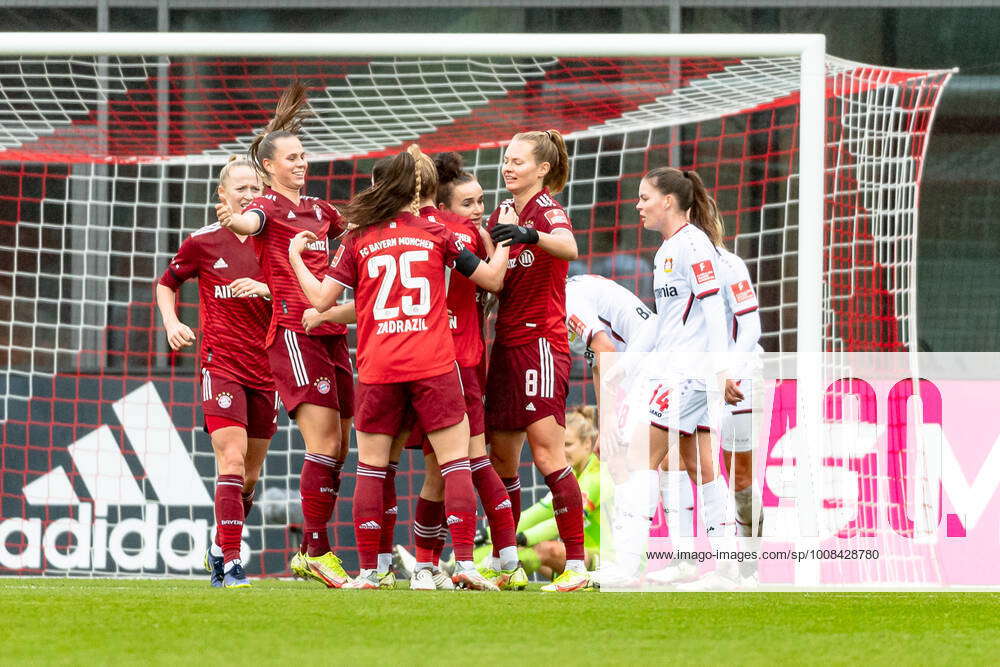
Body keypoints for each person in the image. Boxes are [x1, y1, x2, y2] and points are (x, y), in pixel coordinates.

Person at [287, 145, 511, 590]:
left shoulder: (358, 238)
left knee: (372, 468)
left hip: (379, 367)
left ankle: (372, 571)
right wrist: (502, 245)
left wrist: (295, 256)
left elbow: (320, 301)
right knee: (455, 464)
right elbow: (492, 280)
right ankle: (465, 565)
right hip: (434, 364)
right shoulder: (436, 231)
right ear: (418, 190)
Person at [214, 83, 353, 588]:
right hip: (295, 333)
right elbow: (251, 222)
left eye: (303, 156)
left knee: (341, 448)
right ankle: (316, 550)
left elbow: (354, 232)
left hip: (332, 329)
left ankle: (310, 549)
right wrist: (238, 219)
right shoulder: (267, 207)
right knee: (324, 442)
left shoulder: (320, 209)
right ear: (269, 167)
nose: (301, 163)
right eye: (292, 157)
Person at [596, 167, 742, 588]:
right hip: (682, 370)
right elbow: (665, 320)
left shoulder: (694, 246)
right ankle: (728, 568)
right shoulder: (667, 251)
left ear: (668, 201)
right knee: (699, 465)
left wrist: (722, 368)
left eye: (645, 197)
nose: (638, 205)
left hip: (689, 373)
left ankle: (627, 567)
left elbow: (715, 309)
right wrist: (627, 363)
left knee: (640, 458)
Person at [155, 157, 276, 589]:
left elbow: (302, 292)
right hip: (221, 364)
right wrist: (172, 322)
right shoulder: (202, 242)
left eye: (255, 188)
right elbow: (167, 283)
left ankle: (218, 545)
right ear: (221, 195)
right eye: (241, 188)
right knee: (232, 459)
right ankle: (231, 563)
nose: (249, 195)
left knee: (250, 475)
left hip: (268, 368)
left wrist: (266, 288)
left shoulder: (274, 240)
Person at [485, 129, 591, 593]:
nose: (508, 167)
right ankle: (507, 563)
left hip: (540, 345)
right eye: (506, 160)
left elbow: (569, 246)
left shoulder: (547, 210)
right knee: (501, 459)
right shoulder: (501, 213)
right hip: (505, 346)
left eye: (518, 161)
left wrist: (531, 234)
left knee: (548, 454)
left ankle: (576, 567)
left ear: (542, 168)